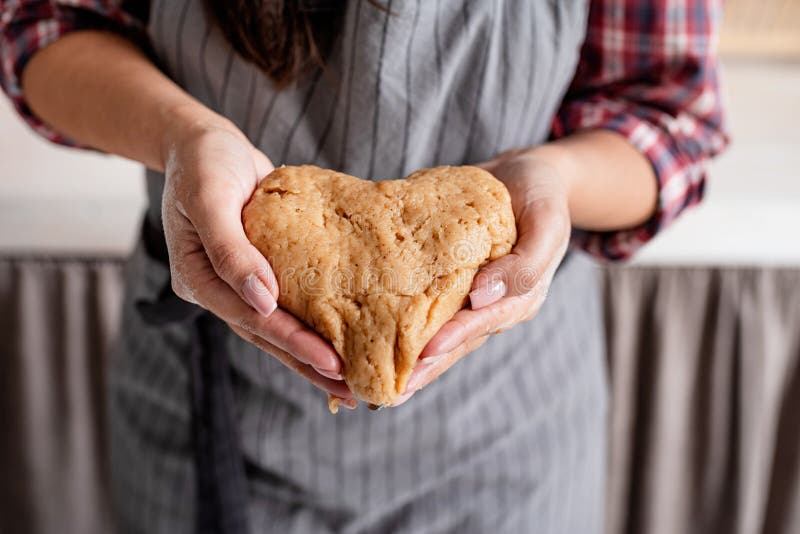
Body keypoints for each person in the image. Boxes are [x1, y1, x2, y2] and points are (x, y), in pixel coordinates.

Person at [0, 1, 728, 533]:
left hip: (508, 436)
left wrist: (553, 180)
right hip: (213, 412)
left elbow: (670, 113)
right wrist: (184, 135)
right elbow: (47, 25)